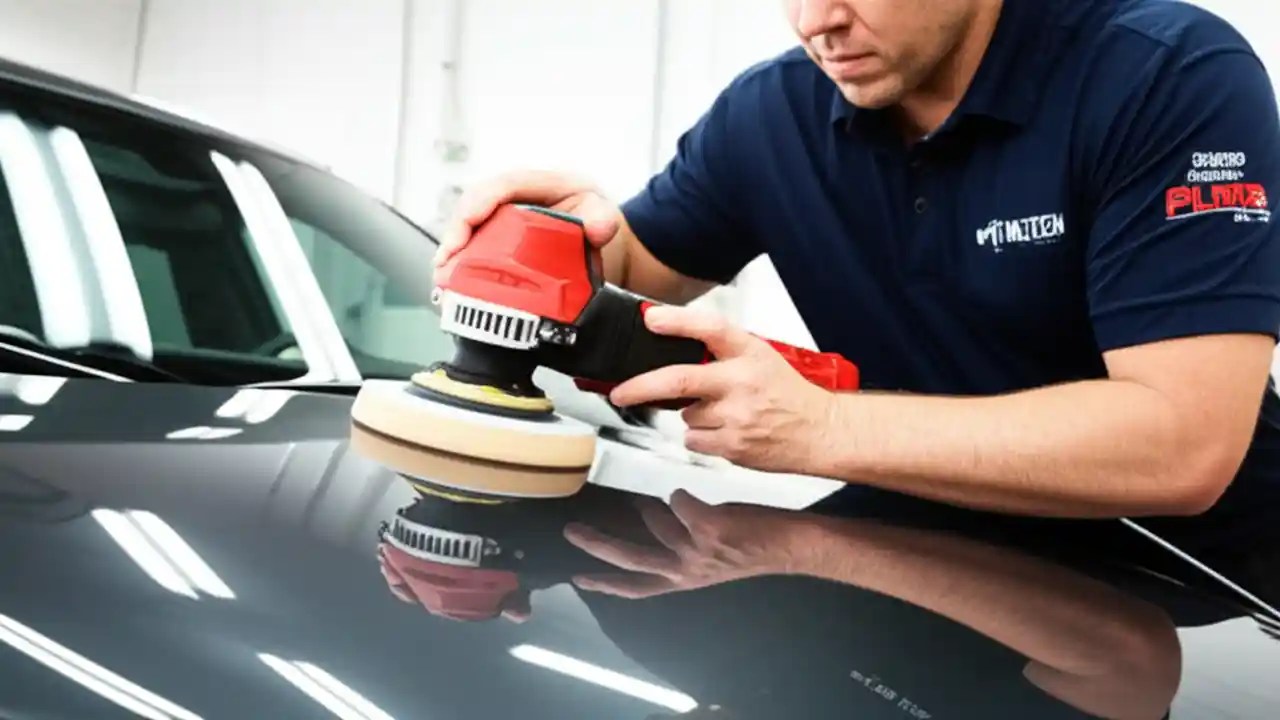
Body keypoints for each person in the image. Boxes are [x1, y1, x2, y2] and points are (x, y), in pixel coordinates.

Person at [434, 0, 1280, 566]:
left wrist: (822, 426)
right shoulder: (771, 117)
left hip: (1191, 590)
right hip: (911, 559)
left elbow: (1183, 443)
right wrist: (563, 243)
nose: (817, 21)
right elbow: (635, 262)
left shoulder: (1164, 75)